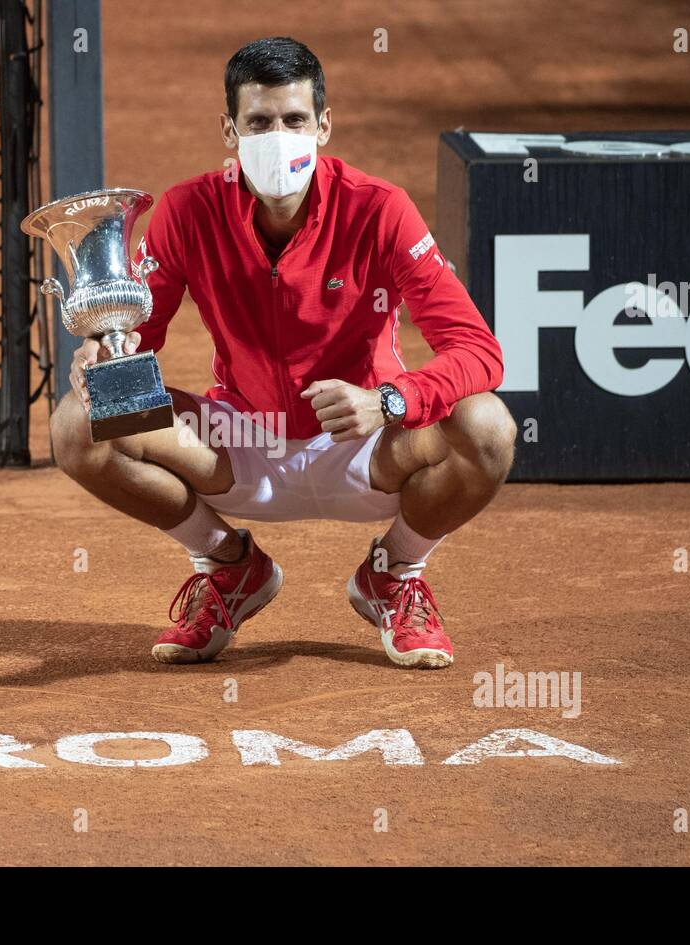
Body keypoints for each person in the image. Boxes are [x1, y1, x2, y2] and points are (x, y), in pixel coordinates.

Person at [51, 36, 514, 669]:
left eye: (294, 120)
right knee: (81, 424)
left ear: (323, 124)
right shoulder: (189, 211)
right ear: (230, 129)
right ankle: (228, 565)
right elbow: (141, 343)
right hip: (238, 442)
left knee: (487, 424)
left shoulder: (380, 210)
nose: (278, 136)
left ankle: (395, 571)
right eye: (259, 122)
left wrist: (389, 400)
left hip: (369, 446)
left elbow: (478, 350)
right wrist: (105, 362)